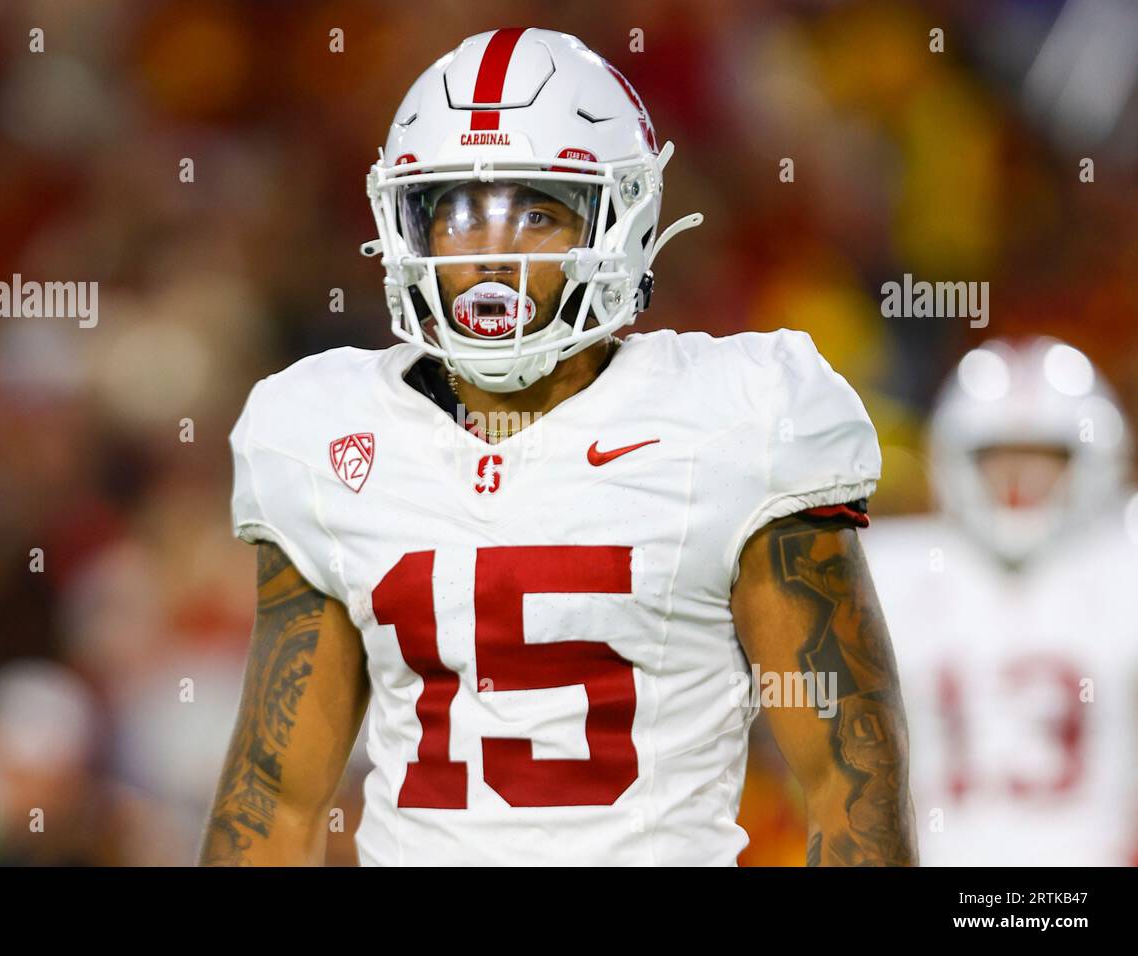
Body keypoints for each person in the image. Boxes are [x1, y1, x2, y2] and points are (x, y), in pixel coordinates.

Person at [201, 27, 915, 866]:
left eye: (537, 212)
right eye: (458, 211)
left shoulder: (739, 420)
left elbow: (852, 779)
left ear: (622, 220)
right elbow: (275, 803)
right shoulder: (326, 432)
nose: (489, 253)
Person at [864, 337, 1138, 865]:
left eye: (1044, 458)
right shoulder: (895, 571)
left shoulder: (1118, 566)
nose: (1019, 479)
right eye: (999, 457)